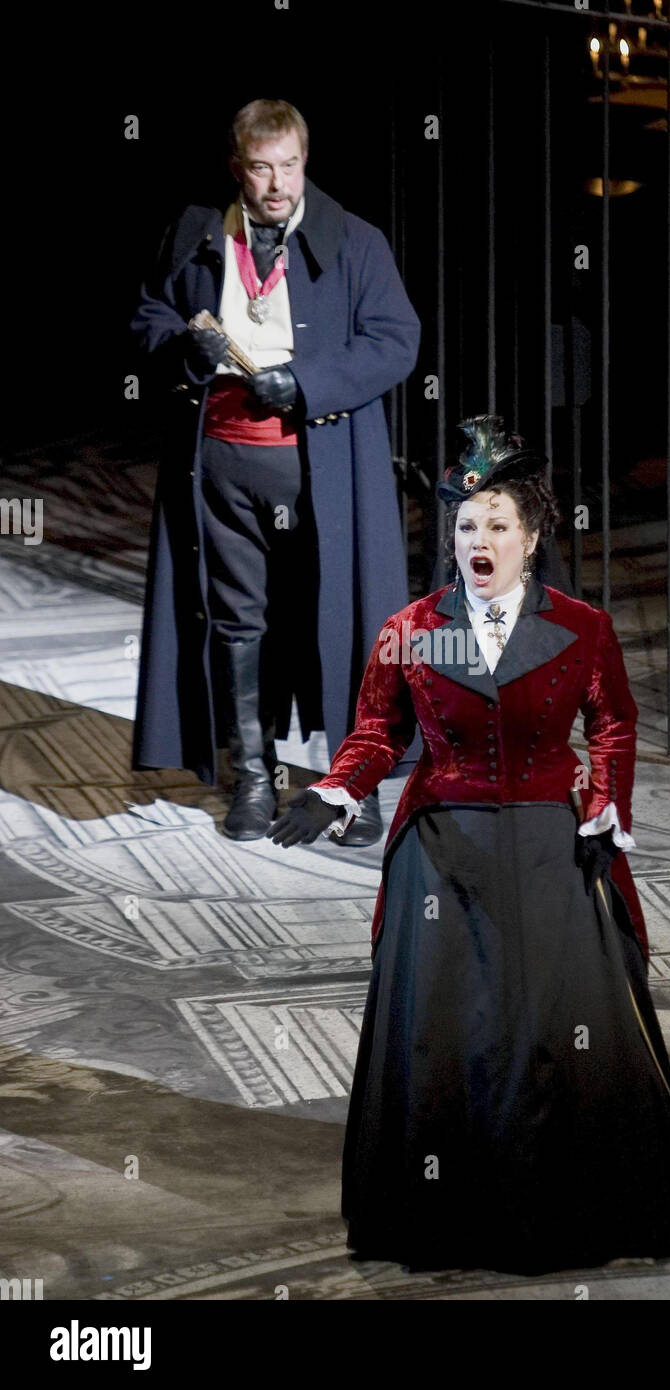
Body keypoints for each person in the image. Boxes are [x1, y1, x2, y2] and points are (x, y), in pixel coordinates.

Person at [268, 415, 670, 1274]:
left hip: (555, 839)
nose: (480, 540)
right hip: (443, 848)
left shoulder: (582, 627)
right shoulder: (412, 628)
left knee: (559, 1029)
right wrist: (337, 789)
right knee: (452, 1035)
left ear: (534, 536)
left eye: (498, 525)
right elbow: (377, 731)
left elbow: (614, 721)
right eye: (467, 526)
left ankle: (574, 1212)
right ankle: (445, 1219)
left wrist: (606, 797)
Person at [130, 98, 420, 844]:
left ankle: (352, 786)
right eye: (261, 168)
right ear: (238, 168)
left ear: (305, 163)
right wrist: (180, 351)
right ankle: (253, 779)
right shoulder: (198, 236)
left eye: (289, 165)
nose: (277, 183)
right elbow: (152, 316)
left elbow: (396, 340)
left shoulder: (353, 241)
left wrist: (307, 384)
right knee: (236, 624)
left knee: (346, 622)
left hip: (321, 470)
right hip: (224, 467)